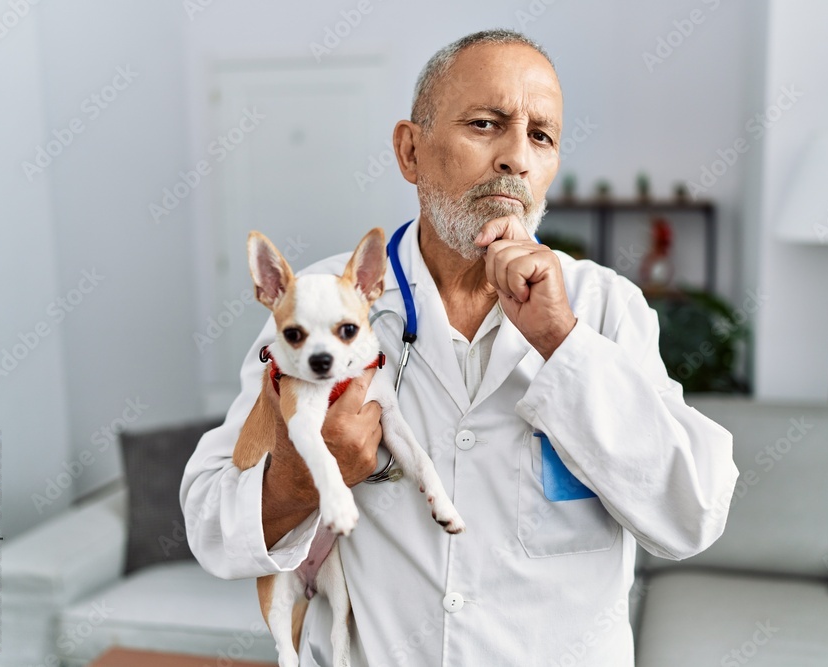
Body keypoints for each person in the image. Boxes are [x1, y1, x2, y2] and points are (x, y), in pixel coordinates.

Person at [181, 28, 739, 666]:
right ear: (410, 151)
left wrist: (563, 343)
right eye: (485, 124)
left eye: (541, 136)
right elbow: (209, 526)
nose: (515, 158)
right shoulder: (318, 311)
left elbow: (691, 515)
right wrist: (304, 477)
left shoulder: (605, 308)